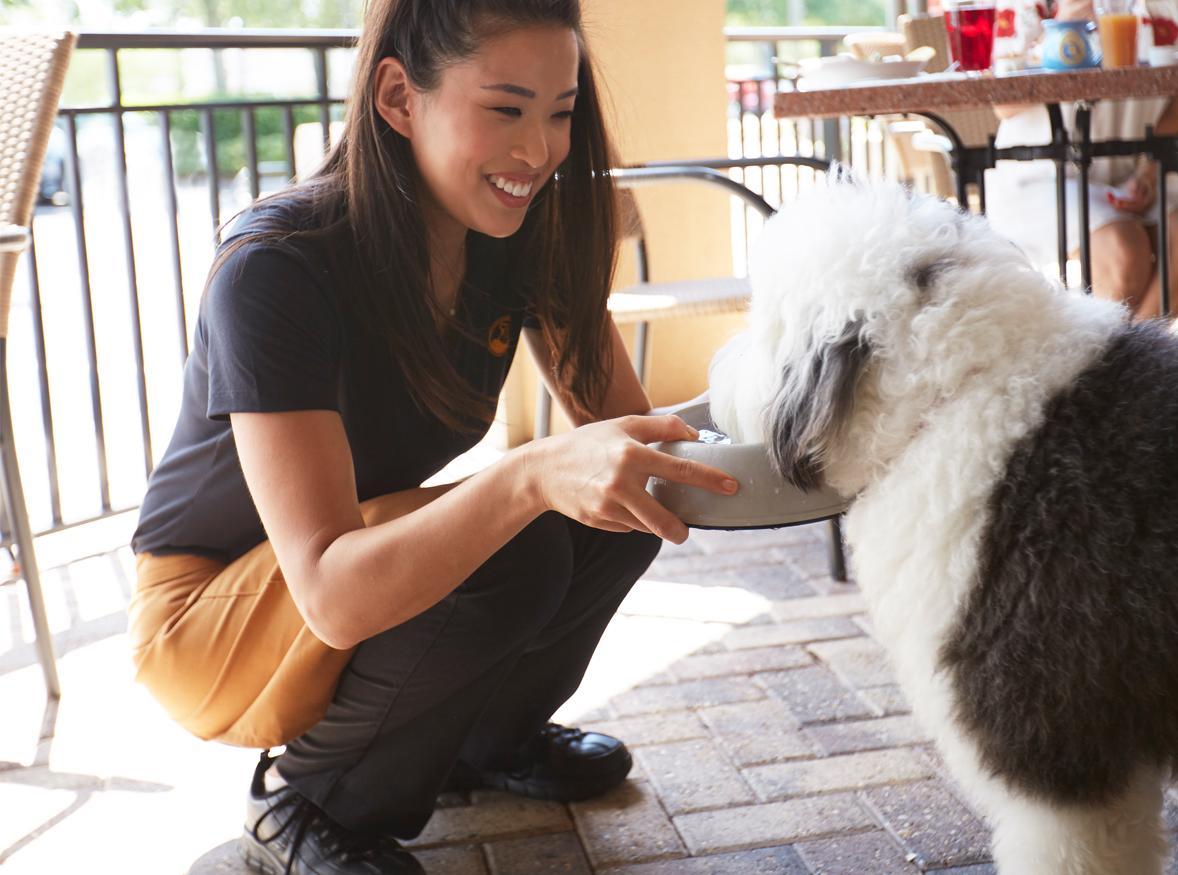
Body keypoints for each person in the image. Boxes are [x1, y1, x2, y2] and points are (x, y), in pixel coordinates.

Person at [126, 1, 739, 872]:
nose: (538, 150)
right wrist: (529, 478)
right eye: (504, 108)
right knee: (516, 537)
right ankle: (305, 798)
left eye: (560, 112)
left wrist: (788, 415)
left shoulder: (520, 236)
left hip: (338, 573)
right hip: (211, 615)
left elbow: (631, 441)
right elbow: (330, 592)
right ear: (398, 98)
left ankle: (489, 743)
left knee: (621, 500)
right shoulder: (277, 267)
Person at [985, 0, 1178, 319]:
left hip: (1136, 168)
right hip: (1041, 172)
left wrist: (1149, 172)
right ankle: (1125, 365)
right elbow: (1003, 104)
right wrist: (1059, 32)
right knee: (1123, 250)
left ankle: (1124, 366)